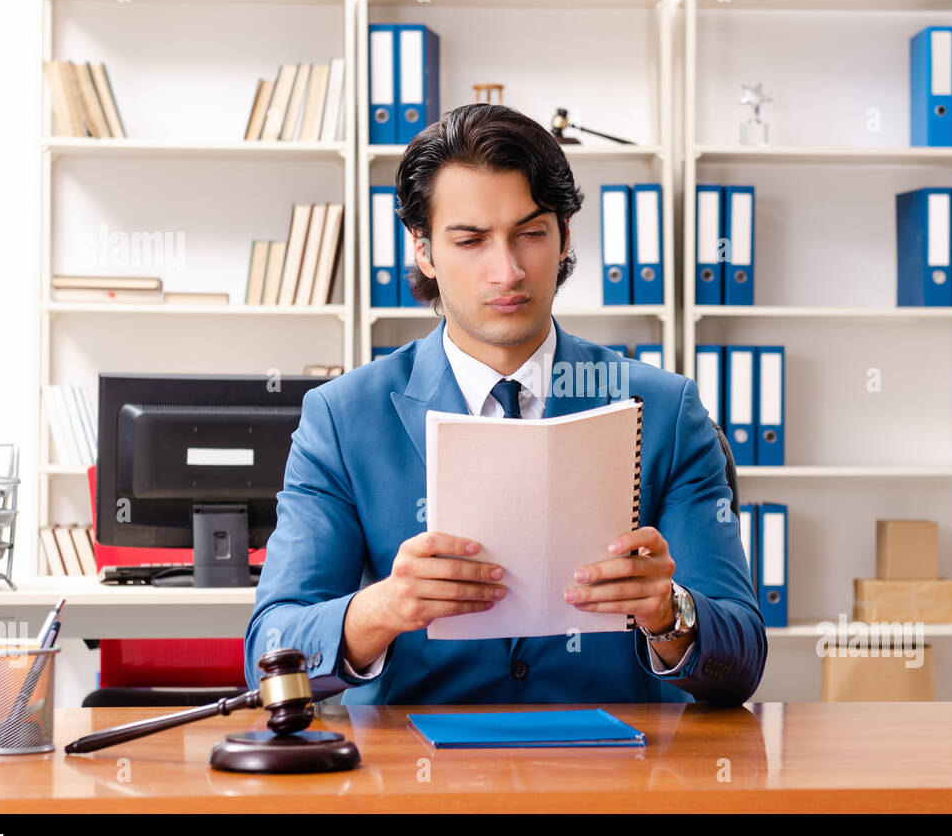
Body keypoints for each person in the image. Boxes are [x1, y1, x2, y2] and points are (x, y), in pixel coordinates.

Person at [245, 103, 766, 705]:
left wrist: (670, 614)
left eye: (531, 234)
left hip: (618, 780)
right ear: (424, 251)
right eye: (470, 240)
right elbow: (268, 655)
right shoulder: (342, 418)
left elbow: (742, 661)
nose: (507, 270)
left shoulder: (667, 410)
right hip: (414, 783)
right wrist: (381, 609)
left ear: (565, 236)